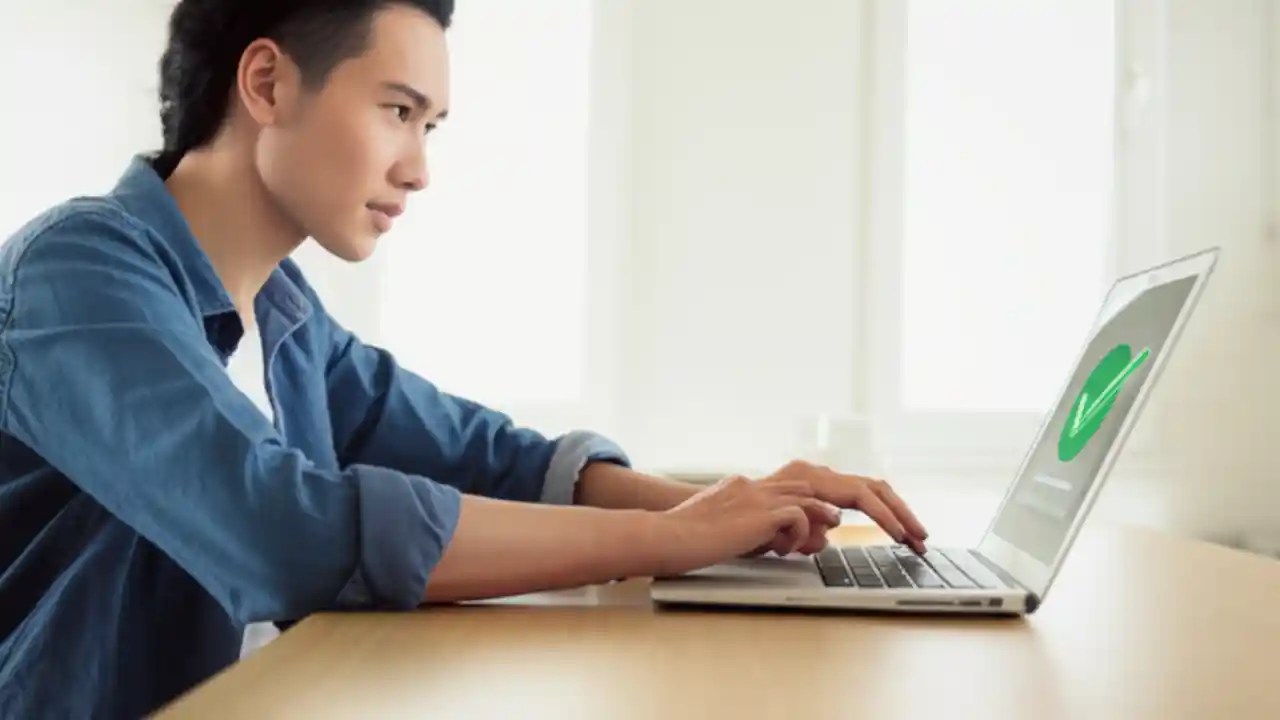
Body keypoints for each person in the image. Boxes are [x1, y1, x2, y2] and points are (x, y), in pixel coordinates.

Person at [0, 1, 929, 717]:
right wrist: (674, 539)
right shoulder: (78, 273)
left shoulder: (286, 322)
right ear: (268, 84)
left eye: (429, 127)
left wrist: (748, 515)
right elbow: (284, 531)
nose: (417, 168)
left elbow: (494, 458)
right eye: (398, 111)